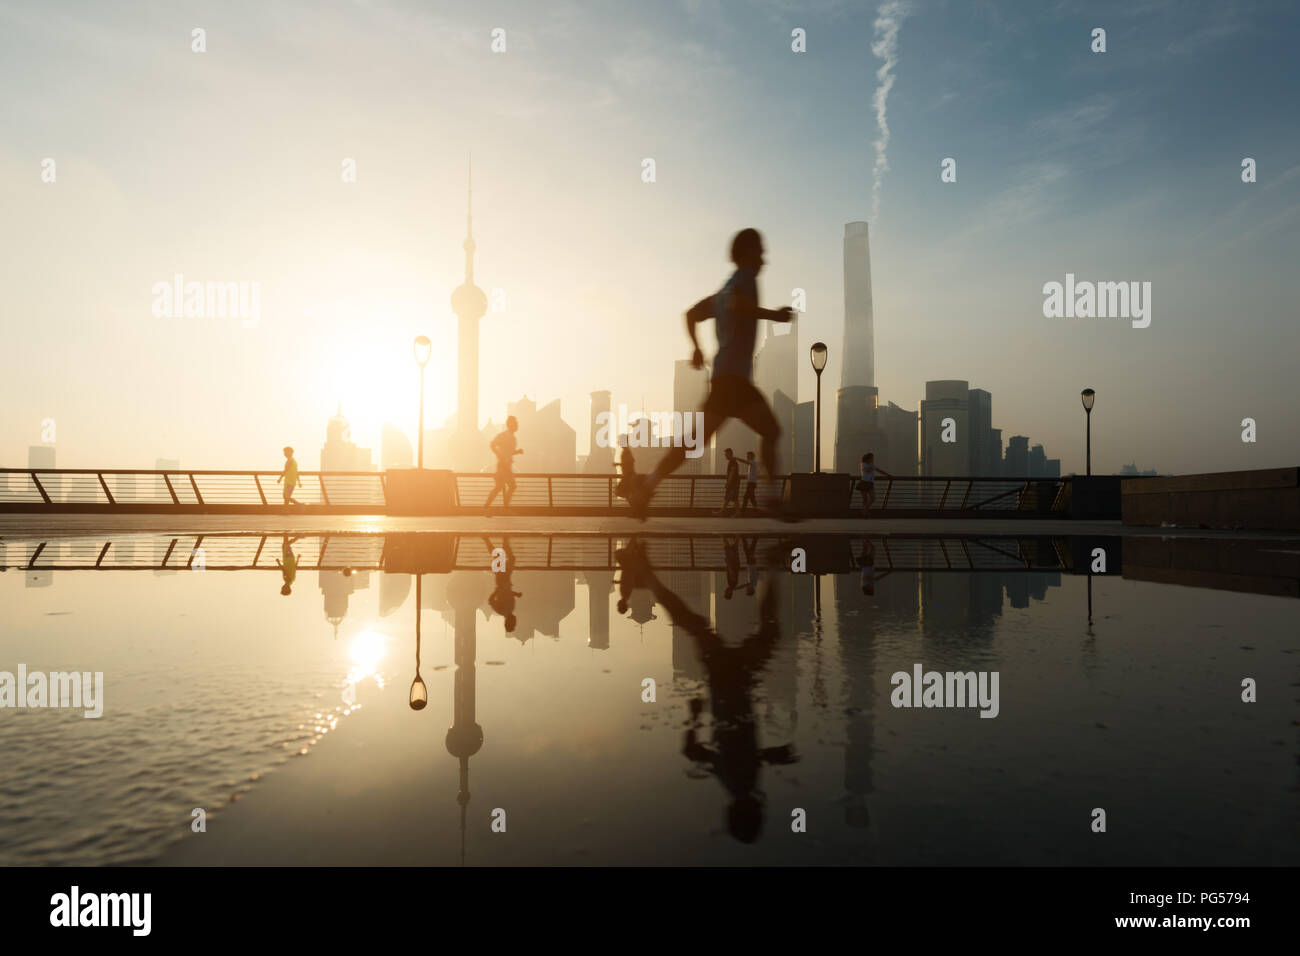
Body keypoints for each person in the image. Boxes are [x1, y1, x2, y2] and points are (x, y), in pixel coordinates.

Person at [615, 539, 797, 844]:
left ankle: (772, 567)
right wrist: (769, 755)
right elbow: (706, 753)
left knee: (737, 629)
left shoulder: (740, 784)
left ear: (751, 813)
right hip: (732, 681)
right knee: (699, 625)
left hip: (732, 681)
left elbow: (705, 752)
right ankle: (646, 575)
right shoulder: (737, 785)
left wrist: (695, 715)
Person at [628, 228, 796, 521]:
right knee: (771, 431)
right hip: (734, 382)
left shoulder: (722, 292)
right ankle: (771, 499)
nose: (764, 258)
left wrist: (696, 348)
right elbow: (739, 306)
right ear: (746, 253)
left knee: (694, 442)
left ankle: (646, 487)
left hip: (724, 380)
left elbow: (690, 314)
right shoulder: (745, 279)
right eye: (759, 251)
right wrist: (776, 316)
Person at [485, 416, 523, 513]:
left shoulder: (512, 437)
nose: (517, 425)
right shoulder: (504, 435)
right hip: (503, 465)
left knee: (503, 486)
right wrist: (499, 455)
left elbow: (508, 451)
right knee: (506, 486)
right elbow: (492, 444)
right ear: (510, 424)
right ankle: (501, 506)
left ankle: (490, 506)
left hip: (507, 465)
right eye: (515, 423)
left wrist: (517, 452)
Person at [713, 448, 740, 516]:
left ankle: (722, 512)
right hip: (734, 483)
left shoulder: (732, 461)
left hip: (733, 483)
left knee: (728, 497)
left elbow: (732, 472)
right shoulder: (732, 461)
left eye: (726, 454)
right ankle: (737, 513)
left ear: (730, 454)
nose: (725, 456)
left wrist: (728, 482)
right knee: (733, 498)